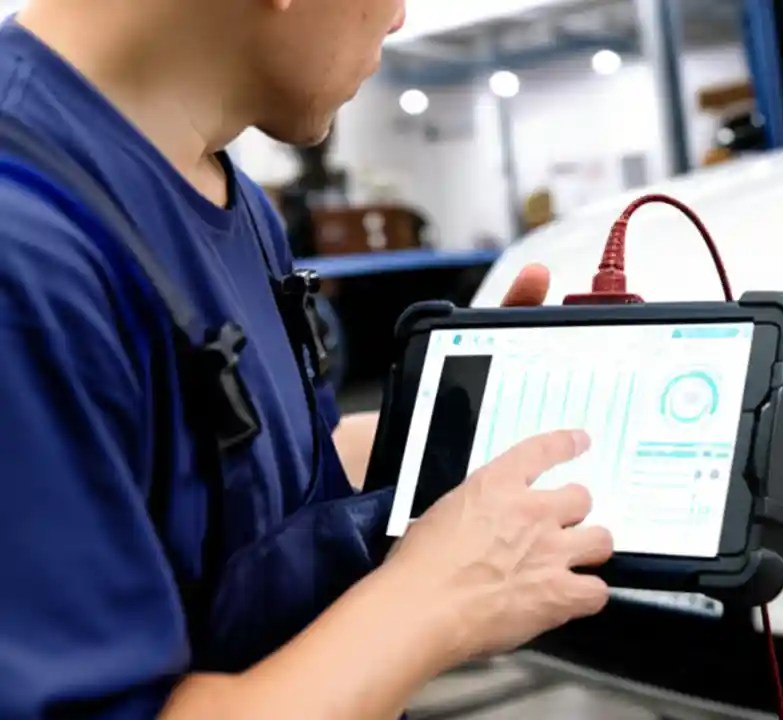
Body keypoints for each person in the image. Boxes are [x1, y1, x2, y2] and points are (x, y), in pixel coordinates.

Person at [0, 1, 614, 718]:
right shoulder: (24, 248)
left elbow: (264, 487)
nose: (398, 17)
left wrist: (453, 432)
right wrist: (437, 599)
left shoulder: (239, 203)